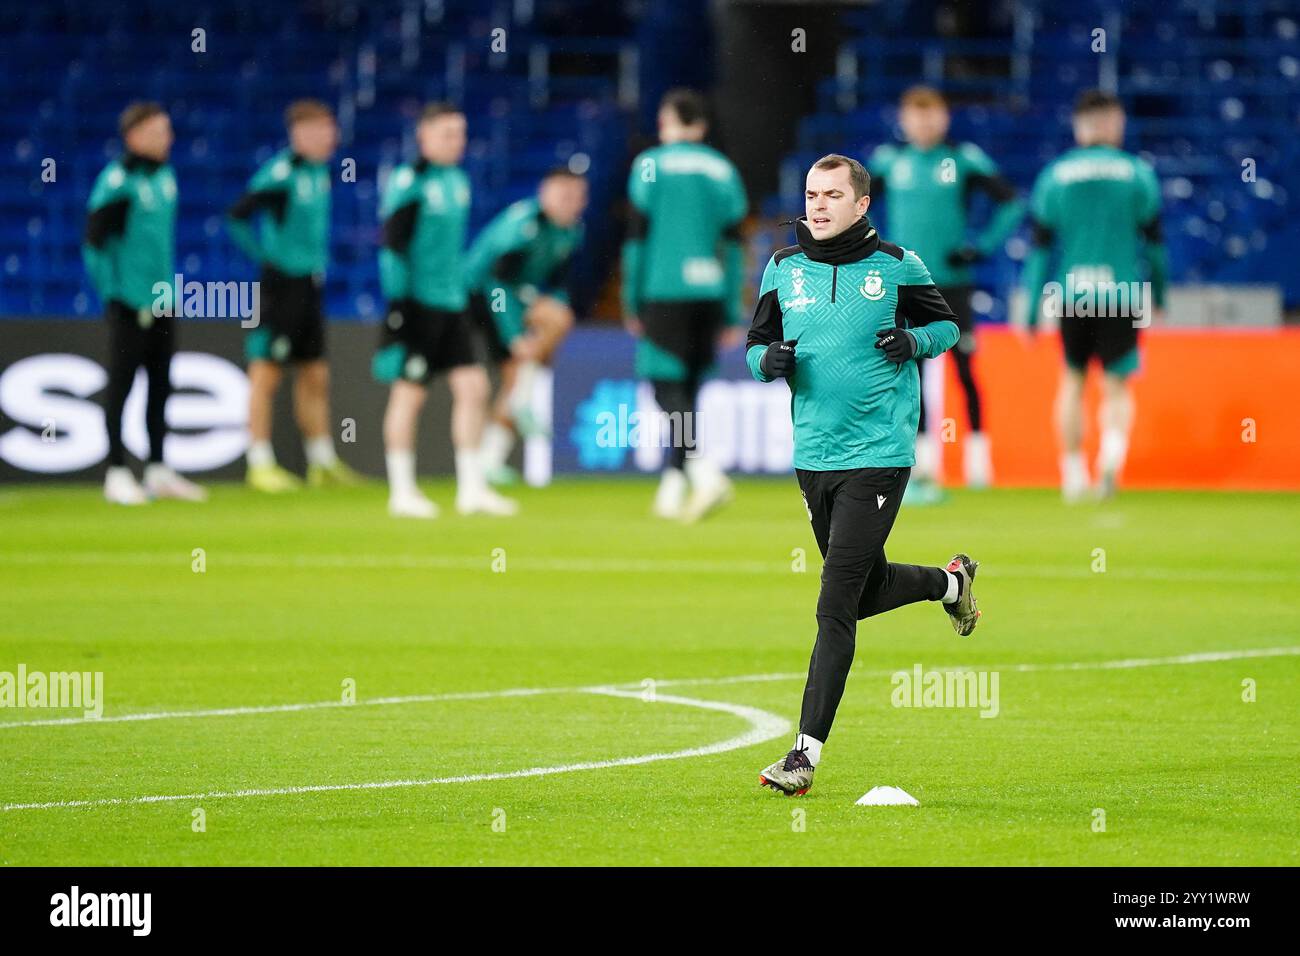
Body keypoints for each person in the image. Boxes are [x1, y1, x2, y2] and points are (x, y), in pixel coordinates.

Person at [746, 154, 981, 797]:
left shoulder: (898, 266)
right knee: (864, 589)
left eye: (831, 195)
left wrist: (915, 344)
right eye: (811, 193)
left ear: (860, 205)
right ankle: (948, 583)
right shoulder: (782, 268)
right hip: (813, 454)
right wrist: (767, 360)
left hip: (879, 454)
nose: (817, 205)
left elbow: (947, 326)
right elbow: (753, 345)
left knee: (833, 606)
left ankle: (803, 756)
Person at [867, 86, 1024, 498]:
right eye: (915, 116)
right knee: (908, 372)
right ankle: (922, 464)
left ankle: (977, 458)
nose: (923, 124)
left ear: (944, 118)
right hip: (903, 286)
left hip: (951, 285)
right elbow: (855, 206)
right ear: (903, 120)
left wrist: (980, 245)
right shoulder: (889, 162)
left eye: (931, 115)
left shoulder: (963, 158)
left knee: (964, 367)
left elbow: (1011, 203)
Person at [1018, 90, 1166, 501]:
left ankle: (1072, 475)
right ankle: (1111, 459)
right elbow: (1154, 243)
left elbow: (1040, 251)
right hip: (1121, 293)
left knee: (1072, 381)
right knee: (1117, 386)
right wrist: (1161, 292)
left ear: (1080, 126)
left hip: (1072, 293)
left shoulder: (1054, 174)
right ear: (1115, 123)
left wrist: (1030, 310)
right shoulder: (1138, 172)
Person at [373, 103, 517, 518]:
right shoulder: (409, 181)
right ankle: (402, 491)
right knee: (409, 395)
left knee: (474, 389)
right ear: (424, 137)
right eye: (448, 134)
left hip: (452, 302)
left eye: (461, 133)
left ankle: (471, 488)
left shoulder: (458, 181)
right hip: (417, 303)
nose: (457, 142)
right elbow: (392, 244)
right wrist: (399, 302)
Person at [622, 89, 747, 521]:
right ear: (703, 125)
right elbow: (734, 246)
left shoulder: (651, 165)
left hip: (664, 288)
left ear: (668, 121)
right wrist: (733, 307)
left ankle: (702, 468)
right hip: (709, 292)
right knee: (689, 390)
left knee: (663, 386)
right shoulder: (722, 170)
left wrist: (630, 298)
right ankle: (673, 485)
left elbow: (637, 236)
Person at [227, 99, 360, 492]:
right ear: (298, 135)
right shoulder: (280, 174)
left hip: (309, 286)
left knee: (315, 374)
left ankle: (321, 461)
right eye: (319, 130)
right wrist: (268, 258)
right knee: (265, 374)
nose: (328, 137)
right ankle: (259, 462)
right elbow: (237, 217)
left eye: (330, 129)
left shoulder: (320, 173)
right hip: (278, 287)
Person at [84, 101, 205, 505]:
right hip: (129, 302)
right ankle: (116, 472)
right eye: (158, 132)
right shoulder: (118, 181)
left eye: (167, 130)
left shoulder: (166, 176)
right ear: (134, 137)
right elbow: (94, 243)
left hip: (162, 300)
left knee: (160, 386)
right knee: (121, 384)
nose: (167, 138)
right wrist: (112, 294)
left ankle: (157, 468)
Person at [464, 168, 587, 485]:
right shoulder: (524, 225)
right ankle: (522, 404)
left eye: (577, 197)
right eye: (564, 195)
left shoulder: (572, 231)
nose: (571, 203)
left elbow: (559, 284)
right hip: (479, 295)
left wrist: (543, 316)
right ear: (545, 194)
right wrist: (515, 335)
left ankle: (489, 459)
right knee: (520, 366)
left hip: (517, 295)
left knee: (519, 374)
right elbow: (496, 282)